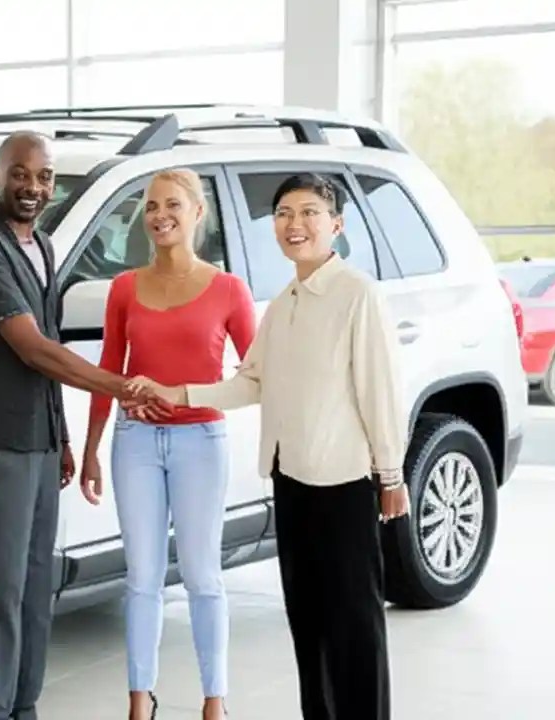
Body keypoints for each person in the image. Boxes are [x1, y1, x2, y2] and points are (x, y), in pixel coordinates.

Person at [125, 172, 410, 720]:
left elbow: (380, 390)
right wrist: (176, 392)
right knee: (308, 622)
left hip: (344, 482)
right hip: (292, 479)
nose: (294, 224)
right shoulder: (284, 303)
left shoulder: (357, 294)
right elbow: (250, 382)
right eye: (283, 214)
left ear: (336, 225)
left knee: (354, 627)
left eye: (308, 213)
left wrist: (391, 476)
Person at [0, 130, 143, 720]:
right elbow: (32, 348)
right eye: (20, 174)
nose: (33, 187)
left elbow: (51, 340)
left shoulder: (44, 246)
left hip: (37, 437)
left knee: (36, 588)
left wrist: (60, 435)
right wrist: (119, 386)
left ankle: (23, 707)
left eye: (44, 176)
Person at [79, 169, 256, 720]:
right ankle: (139, 700)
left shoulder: (229, 290)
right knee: (142, 578)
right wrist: (92, 448)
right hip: (134, 443)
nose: (160, 215)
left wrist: (187, 396)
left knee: (202, 575)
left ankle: (214, 701)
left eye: (173, 205)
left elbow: (256, 375)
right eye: (151, 207)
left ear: (197, 213)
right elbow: (110, 369)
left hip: (201, 441)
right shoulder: (124, 288)